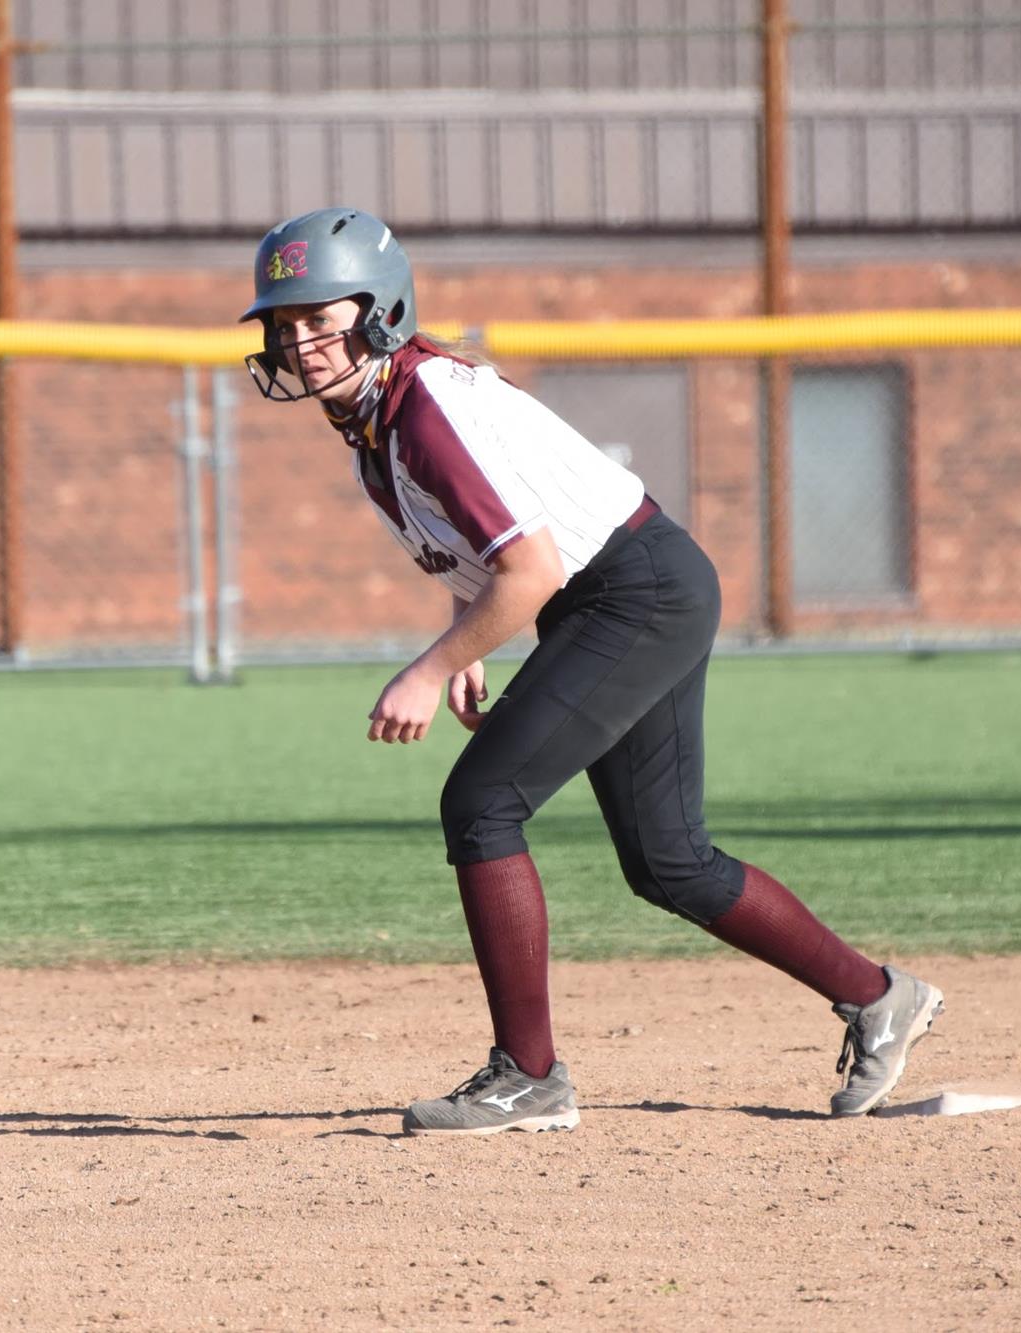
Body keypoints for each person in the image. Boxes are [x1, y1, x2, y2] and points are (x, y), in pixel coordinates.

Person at [239, 206, 944, 1135]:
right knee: (668, 860)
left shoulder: (422, 405)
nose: (299, 339)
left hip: (630, 592)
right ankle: (879, 995)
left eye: (318, 315)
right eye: (284, 324)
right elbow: (497, 554)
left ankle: (528, 1076)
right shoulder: (382, 416)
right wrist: (467, 633)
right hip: (627, 588)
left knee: (481, 804)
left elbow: (530, 568)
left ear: (380, 310)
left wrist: (430, 666)